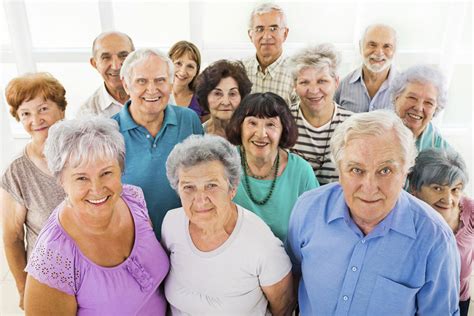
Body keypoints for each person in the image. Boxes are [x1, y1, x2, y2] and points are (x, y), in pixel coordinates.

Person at [287, 110, 460, 315]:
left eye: (385, 170)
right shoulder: (307, 209)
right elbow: (293, 276)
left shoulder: (435, 239)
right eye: (356, 170)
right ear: (339, 171)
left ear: (405, 172)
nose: (370, 187)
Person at [24, 118, 170, 315]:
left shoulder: (134, 199)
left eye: (106, 173)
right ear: (60, 180)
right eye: (82, 178)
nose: (97, 188)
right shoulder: (53, 257)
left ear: (121, 170)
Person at [162, 134, 294, 315]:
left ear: (232, 188)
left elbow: (284, 306)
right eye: (189, 187)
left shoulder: (262, 245)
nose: (200, 199)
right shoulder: (171, 224)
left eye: (211, 185)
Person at [112, 48, 203, 239]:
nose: (152, 90)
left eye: (160, 80)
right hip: (132, 242)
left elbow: (201, 176)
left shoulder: (189, 120)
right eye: (141, 81)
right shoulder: (109, 131)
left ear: (170, 83)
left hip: (186, 239)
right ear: (126, 85)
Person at [0, 72, 67, 310]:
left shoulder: (83, 152)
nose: (35, 119)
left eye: (43, 109)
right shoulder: (16, 171)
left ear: (61, 109)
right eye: (25, 114)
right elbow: (13, 238)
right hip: (48, 280)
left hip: (94, 270)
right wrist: (22, 288)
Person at [226, 92, 318, 241]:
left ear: (283, 130)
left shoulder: (301, 171)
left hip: (288, 261)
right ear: (239, 127)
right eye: (252, 123)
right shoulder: (224, 164)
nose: (261, 134)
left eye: (271, 124)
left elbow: (314, 228)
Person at [408, 148, 473, 316]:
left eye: (455, 189)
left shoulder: (471, 212)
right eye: (437, 188)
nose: (448, 199)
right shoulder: (401, 214)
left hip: (456, 303)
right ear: (415, 188)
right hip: (410, 304)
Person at [288, 43, 353, 185]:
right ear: (295, 85)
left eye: (322, 81)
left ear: (336, 82)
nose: (313, 90)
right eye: (304, 82)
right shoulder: (283, 121)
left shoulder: (353, 125)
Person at [334, 24, 398, 112]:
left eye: (387, 46)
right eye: (372, 45)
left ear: (394, 50)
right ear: (360, 46)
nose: (379, 53)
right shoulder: (342, 86)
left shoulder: (404, 87)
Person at [243, 2, 296, 106]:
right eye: (260, 29)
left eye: (273, 29)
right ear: (250, 35)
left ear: (285, 34)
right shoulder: (241, 70)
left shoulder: (296, 73)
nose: (266, 36)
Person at [391, 64, 451, 151]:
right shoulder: (372, 133)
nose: (418, 108)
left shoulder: (444, 156)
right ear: (396, 97)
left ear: (436, 109)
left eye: (428, 103)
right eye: (412, 98)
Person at [77, 31, 135, 117]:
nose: (116, 66)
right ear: (94, 63)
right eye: (106, 58)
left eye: (123, 56)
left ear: (134, 58)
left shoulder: (155, 97)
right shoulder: (87, 113)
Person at [195, 59, 252, 138]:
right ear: (205, 97)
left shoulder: (250, 134)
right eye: (217, 94)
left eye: (232, 94)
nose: (226, 102)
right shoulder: (196, 134)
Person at [168, 40, 208, 121]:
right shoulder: (157, 95)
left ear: (196, 71)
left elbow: (206, 130)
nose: (182, 72)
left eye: (190, 66)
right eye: (178, 63)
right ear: (168, 64)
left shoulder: (202, 100)